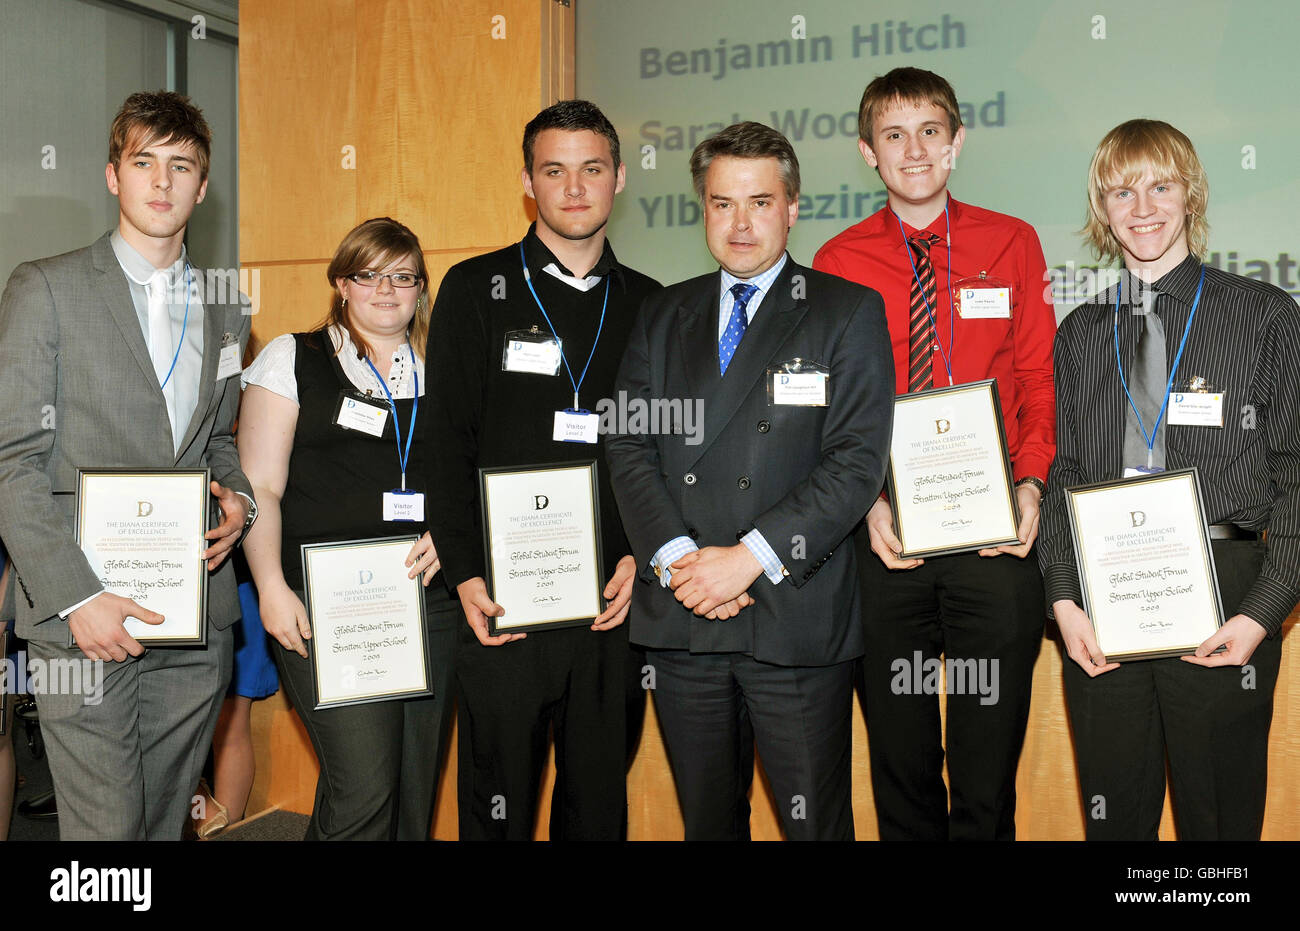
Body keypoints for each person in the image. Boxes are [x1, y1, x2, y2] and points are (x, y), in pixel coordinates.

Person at [606, 121, 893, 841]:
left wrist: (743, 561)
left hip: (792, 613)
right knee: (707, 823)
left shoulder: (846, 311)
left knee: (814, 827)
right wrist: (679, 562)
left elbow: (855, 463)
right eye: (722, 203)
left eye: (760, 202)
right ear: (702, 208)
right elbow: (630, 443)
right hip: (684, 614)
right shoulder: (662, 312)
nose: (740, 223)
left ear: (792, 208)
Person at [0, 91, 254, 840]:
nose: (163, 181)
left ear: (203, 187)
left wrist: (239, 501)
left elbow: (217, 442)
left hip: (195, 616)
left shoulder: (226, 304)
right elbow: (10, 460)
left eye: (182, 166)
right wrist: (79, 599)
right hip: (83, 616)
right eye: (144, 162)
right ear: (114, 175)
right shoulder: (44, 288)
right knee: (105, 833)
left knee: (161, 823)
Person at [1038, 119, 1299, 841]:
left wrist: (1262, 610)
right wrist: (1063, 598)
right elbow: (1064, 479)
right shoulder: (1081, 332)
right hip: (1103, 600)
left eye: (1161, 184)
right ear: (1102, 206)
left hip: (1226, 593)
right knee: (1114, 824)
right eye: (1122, 189)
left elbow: (1297, 473)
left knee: (1219, 829)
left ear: (1191, 195)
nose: (1142, 205)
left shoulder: (1265, 314)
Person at [812, 67, 1055, 840]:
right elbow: (832, 409)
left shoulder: (1012, 241)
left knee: (986, 774)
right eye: (892, 134)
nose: (912, 149)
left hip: (994, 539)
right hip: (886, 544)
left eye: (928, 131)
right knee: (902, 765)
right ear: (866, 152)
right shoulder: (838, 260)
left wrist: (1031, 485)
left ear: (956, 142)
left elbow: (1037, 381)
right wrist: (867, 504)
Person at [424, 99, 661, 841]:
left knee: (596, 811)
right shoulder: (475, 287)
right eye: (553, 171)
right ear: (528, 182)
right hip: (502, 605)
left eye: (592, 169)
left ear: (619, 177)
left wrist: (641, 558)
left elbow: (666, 455)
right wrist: (464, 572)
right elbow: (444, 442)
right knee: (497, 805)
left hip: (609, 606)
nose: (574, 188)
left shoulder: (653, 304)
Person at [238, 217, 458, 841]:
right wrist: (273, 589)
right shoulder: (293, 358)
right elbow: (262, 488)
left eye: (403, 276)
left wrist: (451, 527)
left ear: (420, 288)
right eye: (368, 275)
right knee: (363, 785)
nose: (386, 290)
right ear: (341, 284)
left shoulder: (445, 364)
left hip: (428, 605)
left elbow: (472, 468)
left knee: (413, 796)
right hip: (326, 604)